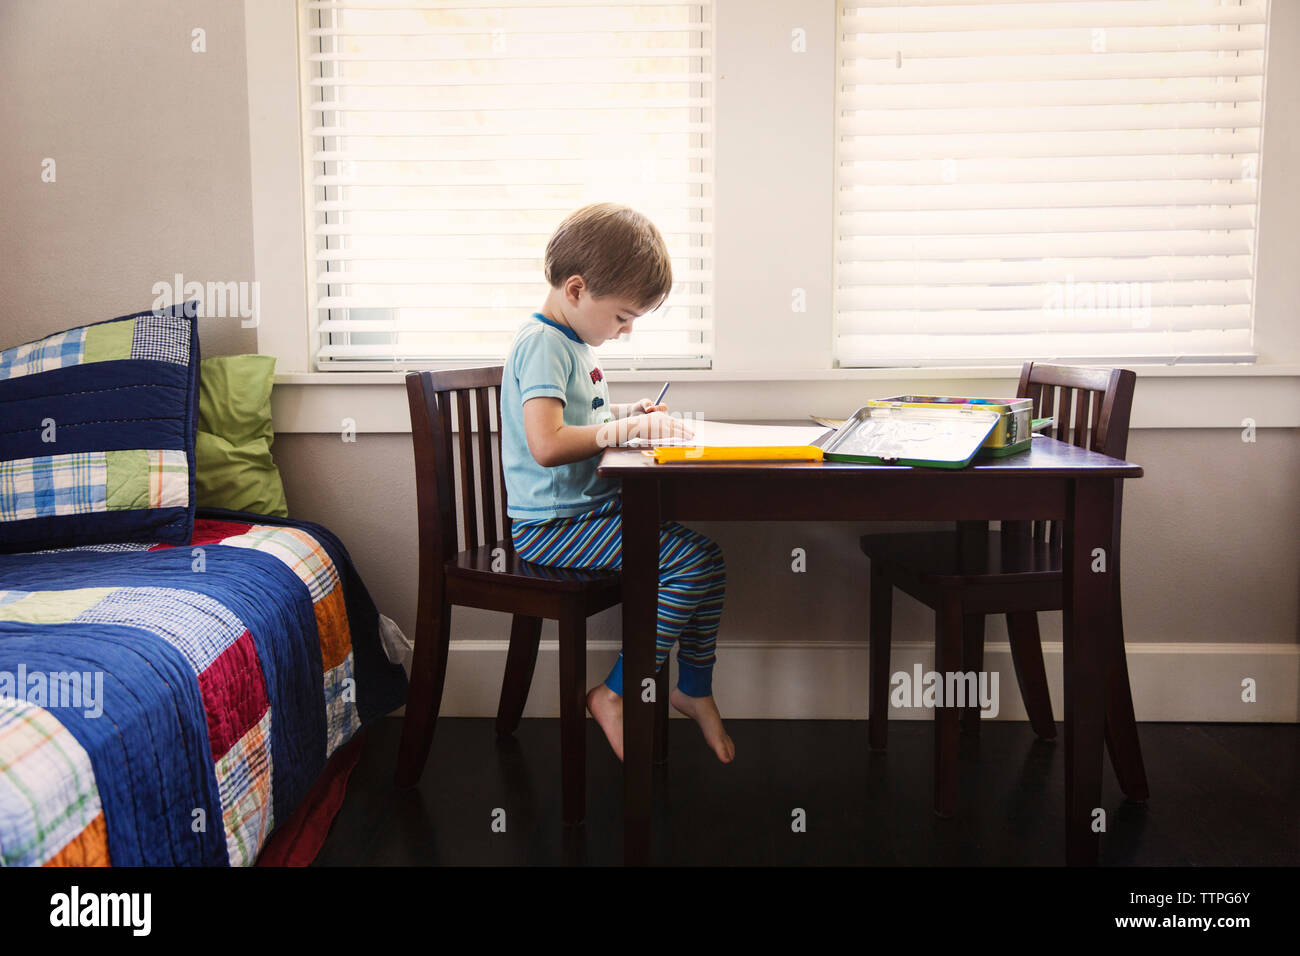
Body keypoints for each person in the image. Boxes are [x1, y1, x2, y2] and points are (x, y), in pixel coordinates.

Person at [499, 202, 734, 763]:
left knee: (709, 559)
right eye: (624, 317)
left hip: (586, 517)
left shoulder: (572, 344)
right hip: (554, 528)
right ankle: (613, 694)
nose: (625, 332)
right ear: (576, 290)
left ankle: (693, 689)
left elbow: (581, 422)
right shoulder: (543, 345)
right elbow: (548, 443)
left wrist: (623, 413)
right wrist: (625, 428)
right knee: (694, 562)